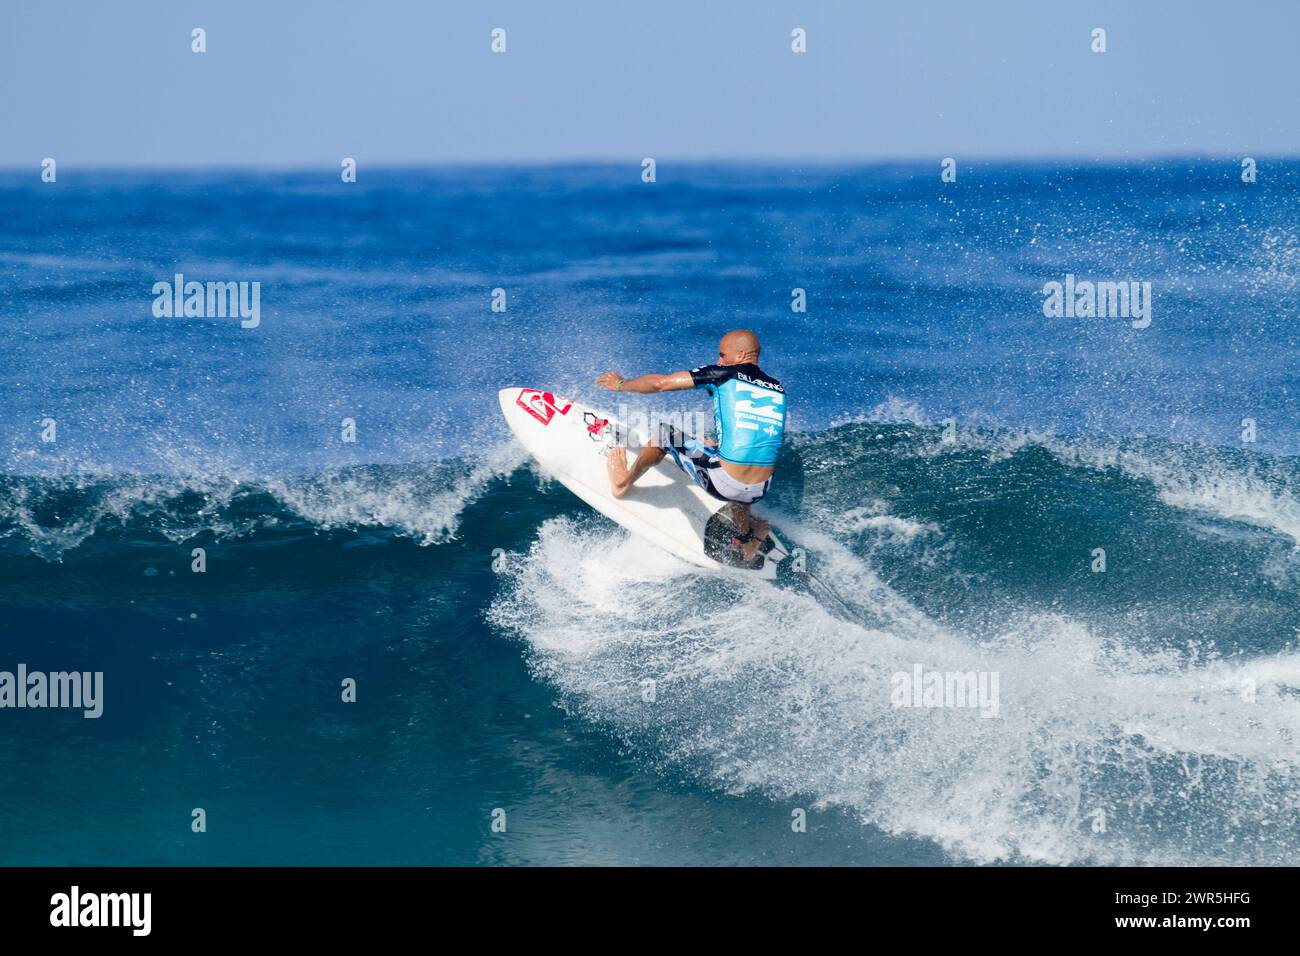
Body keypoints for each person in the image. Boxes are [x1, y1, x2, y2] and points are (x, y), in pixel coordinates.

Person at [595, 329, 786, 562]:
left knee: (664, 434)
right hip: (760, 489)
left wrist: (620, 384)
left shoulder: (723, 374)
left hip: (725, 483)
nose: (719, 361)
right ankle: (746, 539)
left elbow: (660, 384)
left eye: (722, 355)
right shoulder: (777, 388)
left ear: (740, 355)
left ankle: (622, 484)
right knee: (724, 450)